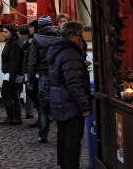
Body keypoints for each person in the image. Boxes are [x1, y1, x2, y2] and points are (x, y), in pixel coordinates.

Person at [48, 21, 91, 169]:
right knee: (72, 139)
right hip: (69, 103)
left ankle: (64, 164)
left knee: (63, 136)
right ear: (72, 36)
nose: (81, 39)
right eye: (80, 36)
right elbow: (74, 83)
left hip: (59, 100)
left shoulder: (58, 49)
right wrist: (85, 106)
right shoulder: (70, 53)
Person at [28, 15, 62, 142]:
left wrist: (30, 79)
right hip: (58, 73)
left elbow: (32, 61)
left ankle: (43, 134)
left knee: (43, 106)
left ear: (40, 26)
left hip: (43, 74)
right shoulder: (59, 36)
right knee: (59, 103)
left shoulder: (36, 39)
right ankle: (61, 133)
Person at [0, 25, 23, 125]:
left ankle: (12, 116)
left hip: (12, 74)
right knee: (13, 95)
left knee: (6, 94)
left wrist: (11, 76)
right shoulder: (9, 43)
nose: (3, 33)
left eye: (6, 32)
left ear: (11, 33)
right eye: (3, 32)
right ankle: (16, 117)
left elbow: (15, 62)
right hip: (10, 73)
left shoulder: (14, 44)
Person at [21, 23, 38, 122]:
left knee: (33, 92)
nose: (30, 29)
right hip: (28, 69)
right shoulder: (28, 39)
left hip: (34, 70)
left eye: (32, 27)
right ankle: (30, 113)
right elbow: (23, 49)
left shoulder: (36, 39)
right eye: (29, 27)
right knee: (30, 92)